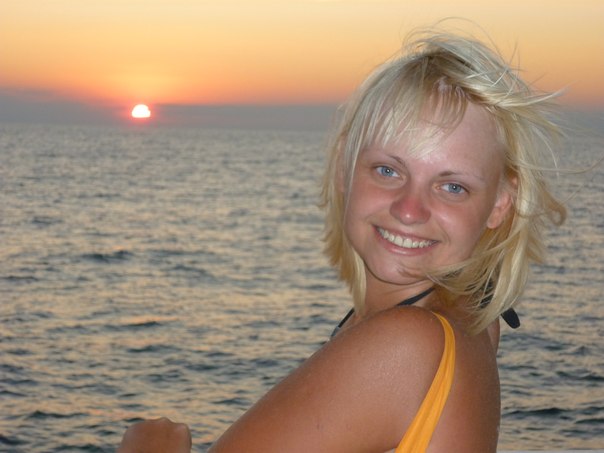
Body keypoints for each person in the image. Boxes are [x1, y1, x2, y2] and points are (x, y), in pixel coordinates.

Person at [118, 25, 566, 452]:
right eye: (388, 170)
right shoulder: (473, 316)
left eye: (452, 186)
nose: (409, 210)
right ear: (344, 168)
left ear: (500, 204)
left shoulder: (406, 344)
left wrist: (149, 447)